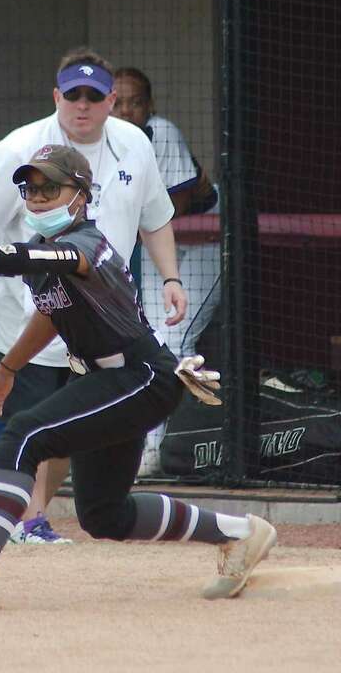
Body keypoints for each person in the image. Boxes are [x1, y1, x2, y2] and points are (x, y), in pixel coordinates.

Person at [0, 145, 276, 611]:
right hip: (119, 382)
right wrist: (6, 369)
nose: (37, 197)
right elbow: (51, 315)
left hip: (141, 377)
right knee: (105, 515)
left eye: (50, 187)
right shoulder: (46, 252)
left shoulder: (87, 244)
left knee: (22, 436)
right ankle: (240, 533)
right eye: (30, 188)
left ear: (81, 195)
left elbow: (54, 259)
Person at [0, 48, 188, 543]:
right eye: (72, 95)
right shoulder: (17, 149)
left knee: (62, 432)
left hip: (95, 325)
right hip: (29, 314)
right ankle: (28, 521)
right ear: (56, 97)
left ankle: (31, 520)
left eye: (93, 96)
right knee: (29, 425)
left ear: (112, 101)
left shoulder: (134, 143)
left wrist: (170, 278)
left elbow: (155, 219)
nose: (82, 105)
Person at [112, 67, 221, 476]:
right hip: (162, 246)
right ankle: (143, 445)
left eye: (135, 102)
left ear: (150, 106)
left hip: (205, 240)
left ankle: (157, 450)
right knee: (151, 342)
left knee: (175, 338)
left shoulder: (161, 132)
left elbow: (178, 205)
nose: (126, 110)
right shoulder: (103, 142)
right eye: (118, 103)